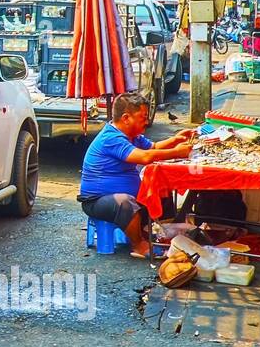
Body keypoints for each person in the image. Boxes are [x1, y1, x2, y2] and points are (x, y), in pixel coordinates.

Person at [78, 92, 196, 259]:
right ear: (126, 118)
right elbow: (145, 157)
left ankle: (158, 234)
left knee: (158, 190)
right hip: (96, 201)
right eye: (142, 117)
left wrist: (175, 140)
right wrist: (177, 153)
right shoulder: (111, 138)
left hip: (120, 195)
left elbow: (153, 147)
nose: (146, 122)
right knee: (125, 202)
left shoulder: (132, 136)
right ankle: (138, 244)